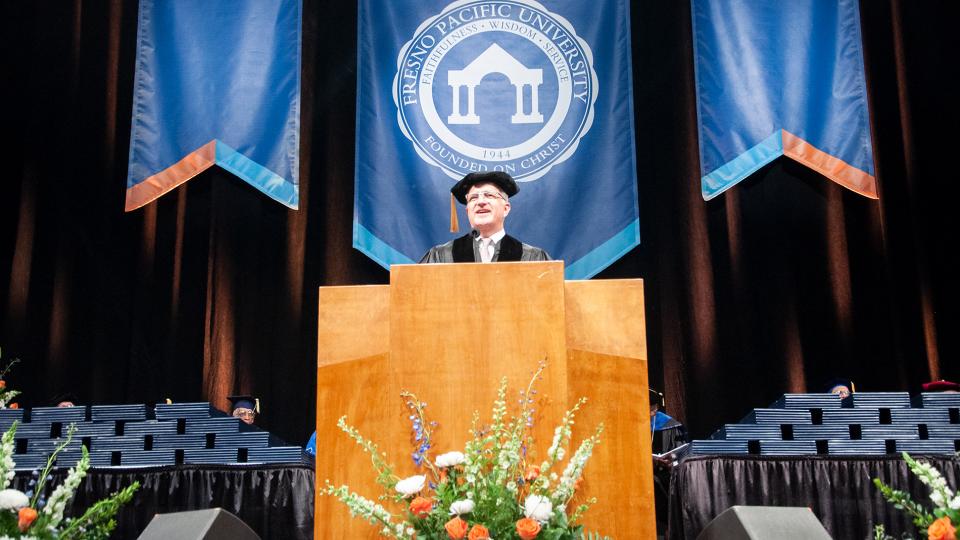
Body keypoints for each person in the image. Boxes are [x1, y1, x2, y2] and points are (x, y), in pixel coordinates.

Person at [419, 171, 550, 263]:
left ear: (506, 208)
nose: (480, 202)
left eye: (489, 195)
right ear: (467, 211)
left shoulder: (533, 257)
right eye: (473, 198)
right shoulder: (440, 256)